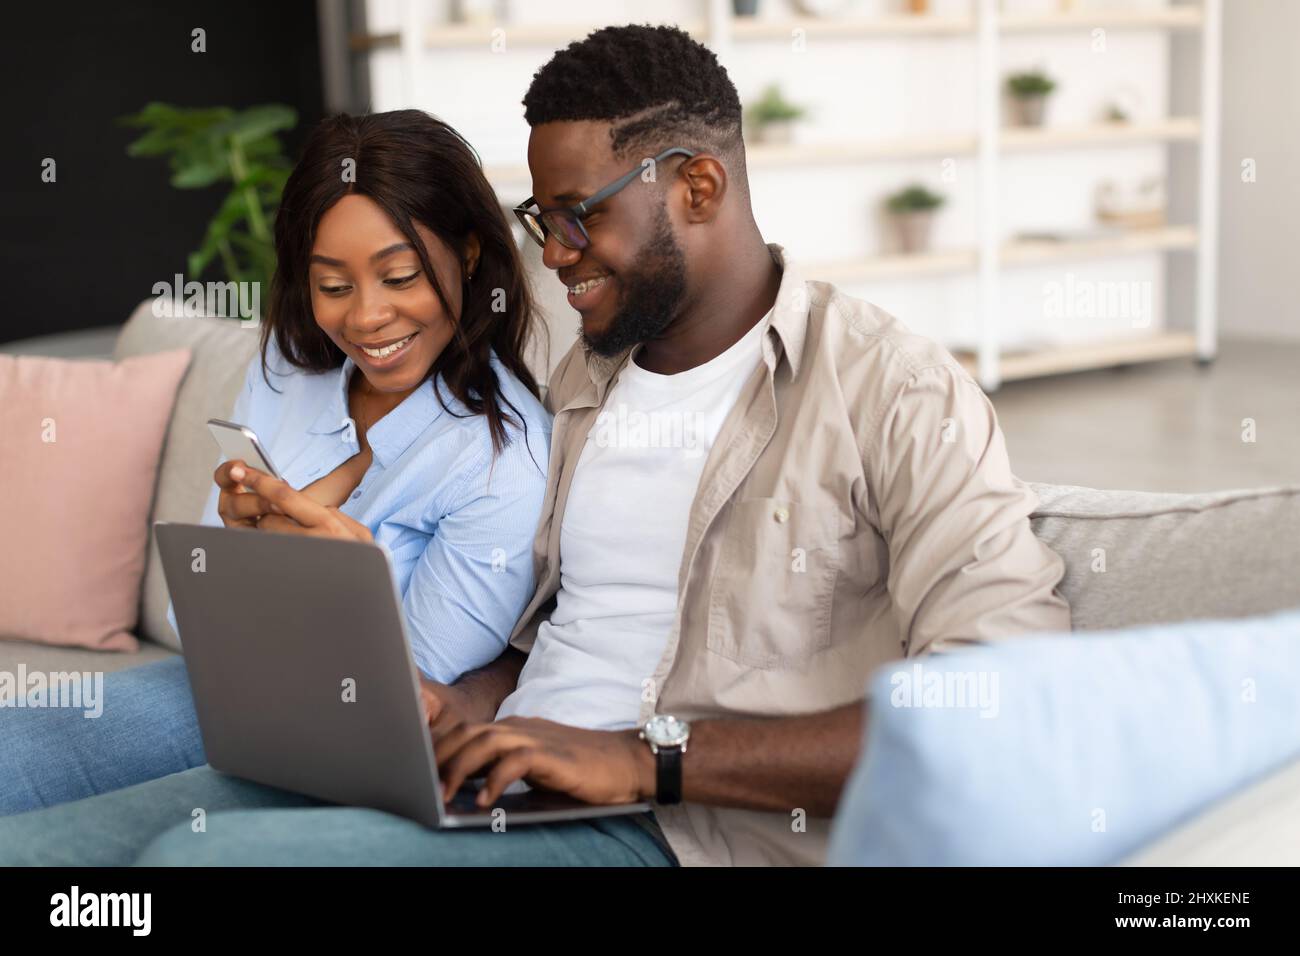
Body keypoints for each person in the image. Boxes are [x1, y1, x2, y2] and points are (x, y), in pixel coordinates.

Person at [0, 26, 1067, 867]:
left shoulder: (893, 391)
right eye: (537, 216)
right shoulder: (584, 384)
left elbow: (1006, 700)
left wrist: (640, 759)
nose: (549, 255)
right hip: (486, 775)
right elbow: (550, 634)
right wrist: (444, 706)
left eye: (575, 217)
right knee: (49, 851)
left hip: (664, 830)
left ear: (697, 186)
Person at [0, 110, 550, 816]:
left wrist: (337, 586)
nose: (367, 318)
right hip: (206, 681)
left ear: (470, 255)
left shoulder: (505, 461)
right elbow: (187, 612)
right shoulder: (290, 368)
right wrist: (239, 545)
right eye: (334, 286)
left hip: (325, 739)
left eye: (400, 275)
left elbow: (399, 711)